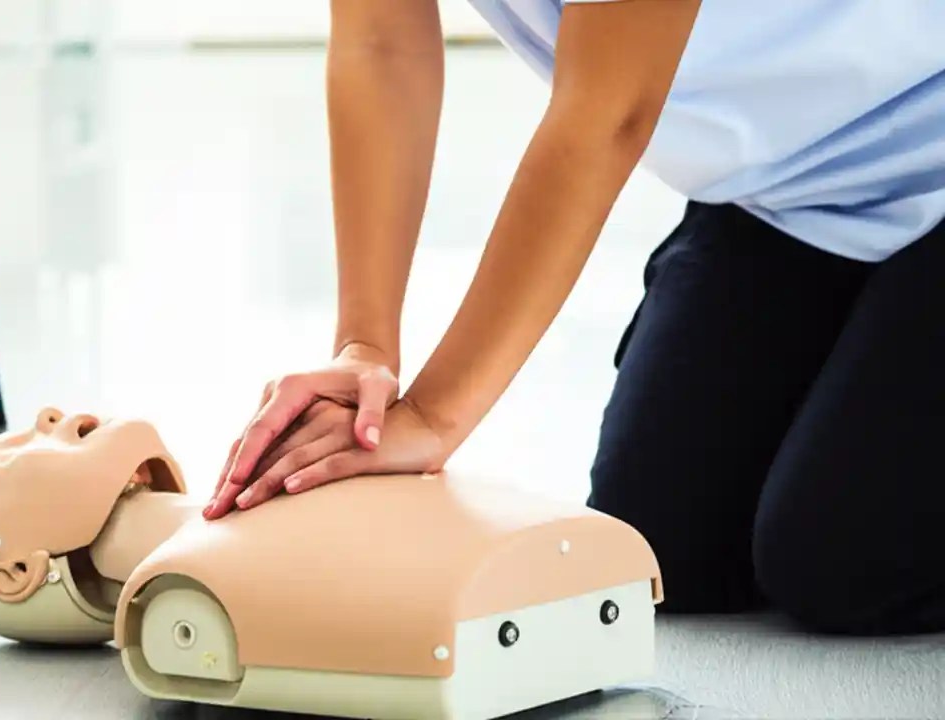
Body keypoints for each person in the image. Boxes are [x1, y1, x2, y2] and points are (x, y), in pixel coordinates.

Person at [203, 0, 945, 637]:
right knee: (663, 551)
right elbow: (381, 38)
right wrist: (365, 348)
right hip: (789, 187)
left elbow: (609, 112)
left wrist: (432, 415)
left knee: (846, 561)